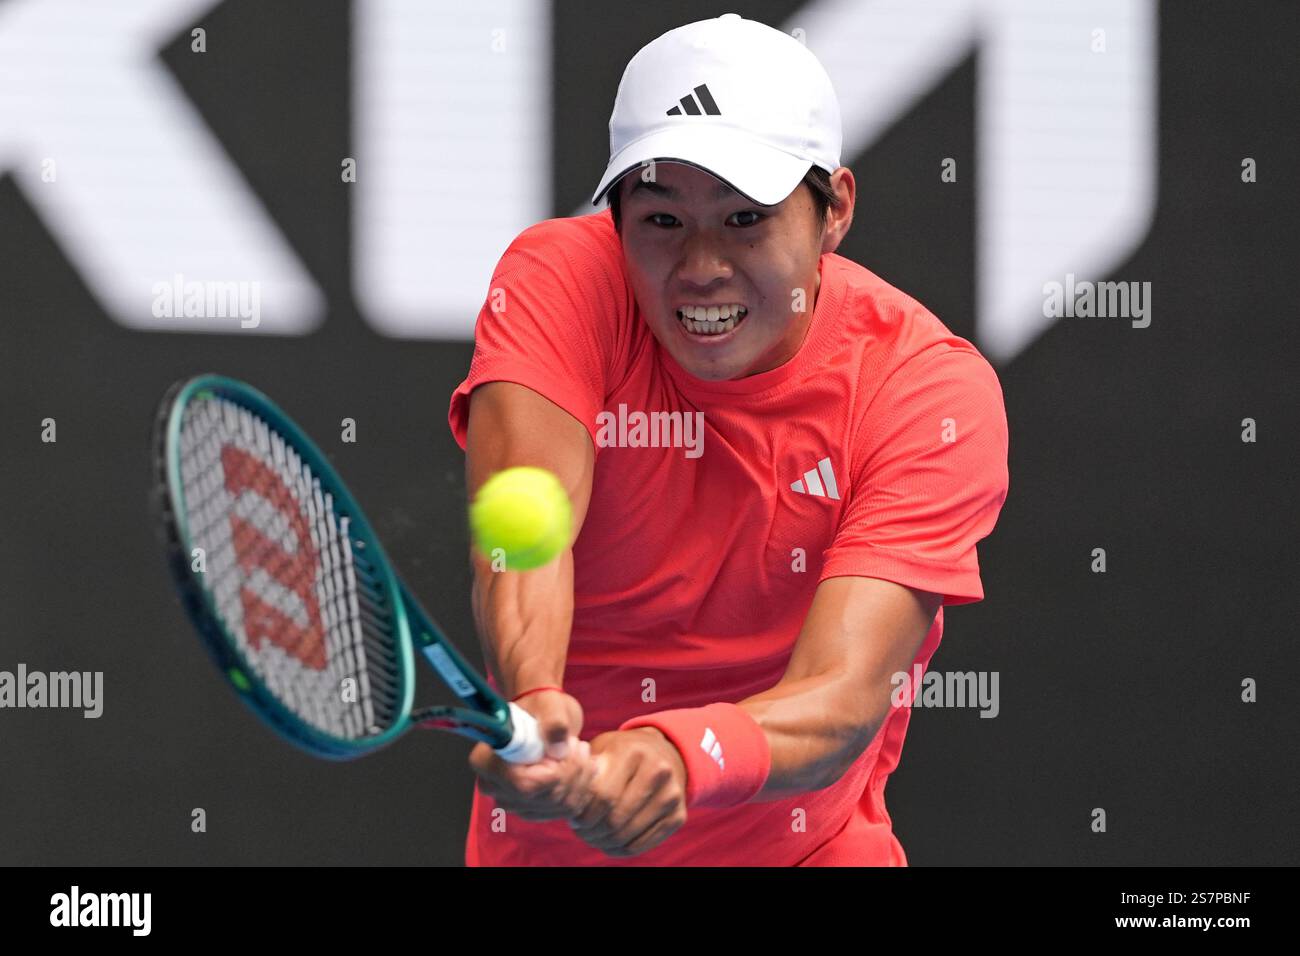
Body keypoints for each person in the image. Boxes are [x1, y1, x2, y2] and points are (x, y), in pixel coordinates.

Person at [446, 13, 1009, 865]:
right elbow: (530, 528)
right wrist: (537, 693)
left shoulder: (926, 389)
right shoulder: (560, 279)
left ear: (835, 213)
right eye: (662, 219)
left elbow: (843, 694)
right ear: (617, 216)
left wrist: (683, 752)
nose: (701, 266)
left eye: (745, 219)